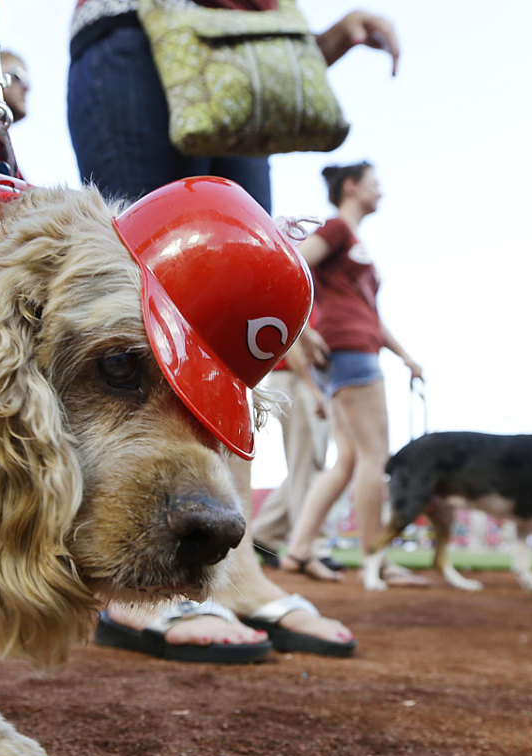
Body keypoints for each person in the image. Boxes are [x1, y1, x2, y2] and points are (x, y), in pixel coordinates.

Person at [69, 1, 400, 660]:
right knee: (142, 293)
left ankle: (235, 563)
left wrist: (316, 45)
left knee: (237, 304)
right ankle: (135, 566)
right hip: (130, 23)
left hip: (234, 39)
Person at [281, 161, 429, 587]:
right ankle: (376, 558)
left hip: (352, 348)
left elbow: (371, 315)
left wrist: (405, 356)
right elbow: (292, 261)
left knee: (346, 460)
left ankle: (299, 549)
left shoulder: (353, 243)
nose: (380, 191)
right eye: (375, 184)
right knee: (373, 457)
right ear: (352, 186)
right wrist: (302, 326)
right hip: (348, 350)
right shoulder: (336, 230)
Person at [250, 319, 344, 572]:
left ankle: (265, 533)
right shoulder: (310, 287)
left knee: (305, 465)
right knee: (308, 467)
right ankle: (312, 547)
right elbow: (292, 344)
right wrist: (314, 390)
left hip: (304, 380)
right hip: (297, 378)